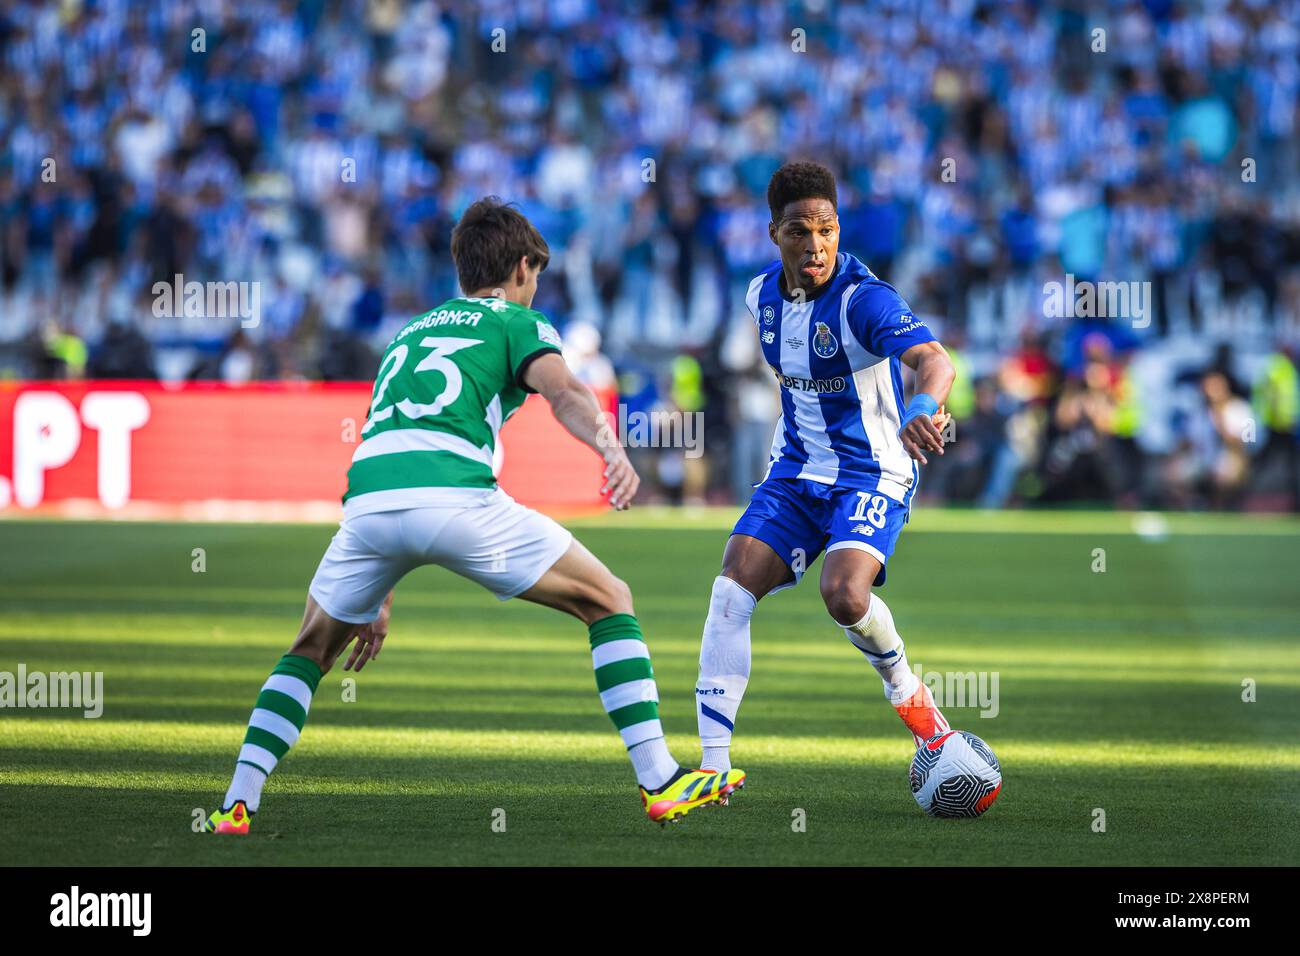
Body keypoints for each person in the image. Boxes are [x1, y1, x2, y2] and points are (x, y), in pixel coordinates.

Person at [206, 198, 744, 834]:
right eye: (535, 273)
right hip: (459, 498)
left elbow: (394, 448)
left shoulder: (407, 333)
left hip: (367, 506)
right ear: (520, 268)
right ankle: (660, 779)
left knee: (309, 649)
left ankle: (237, 802)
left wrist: (377, 586)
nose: (535, 285)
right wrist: (610, 446)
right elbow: (565, 391)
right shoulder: (517, 321)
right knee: (609, 598)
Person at [693, 162, 959, 777]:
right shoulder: (760, 297)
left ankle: (911, 700)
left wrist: (923, 405)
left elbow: (934, 360)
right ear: (773, 234)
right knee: (730, 590)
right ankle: (712, 769)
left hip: (872, 471)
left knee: (843, 594)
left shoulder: (865, 300)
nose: (815, 245)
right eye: (798, 232)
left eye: (827, 229)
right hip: (794, 471)